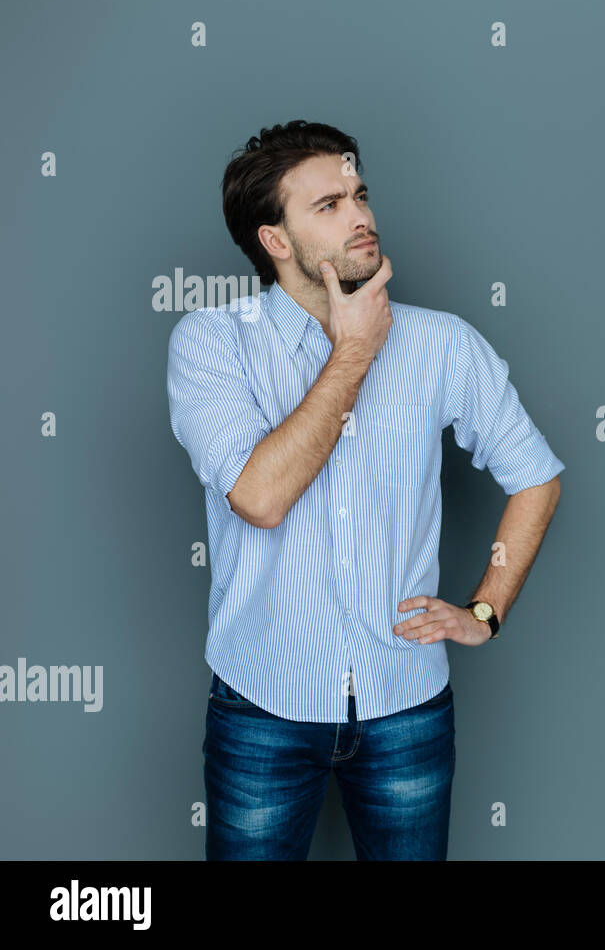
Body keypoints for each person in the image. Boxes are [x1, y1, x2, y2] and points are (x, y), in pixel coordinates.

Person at [166, 120, 564, 859]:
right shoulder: (211, 343)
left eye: (360, 194)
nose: (361, 216)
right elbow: (260, 498)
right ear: (276, 241)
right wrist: (353, 353)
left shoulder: (442, 343)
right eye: (328, 205)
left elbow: (535, 474)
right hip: (262, 706)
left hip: (406, 706)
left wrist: (486, 608)